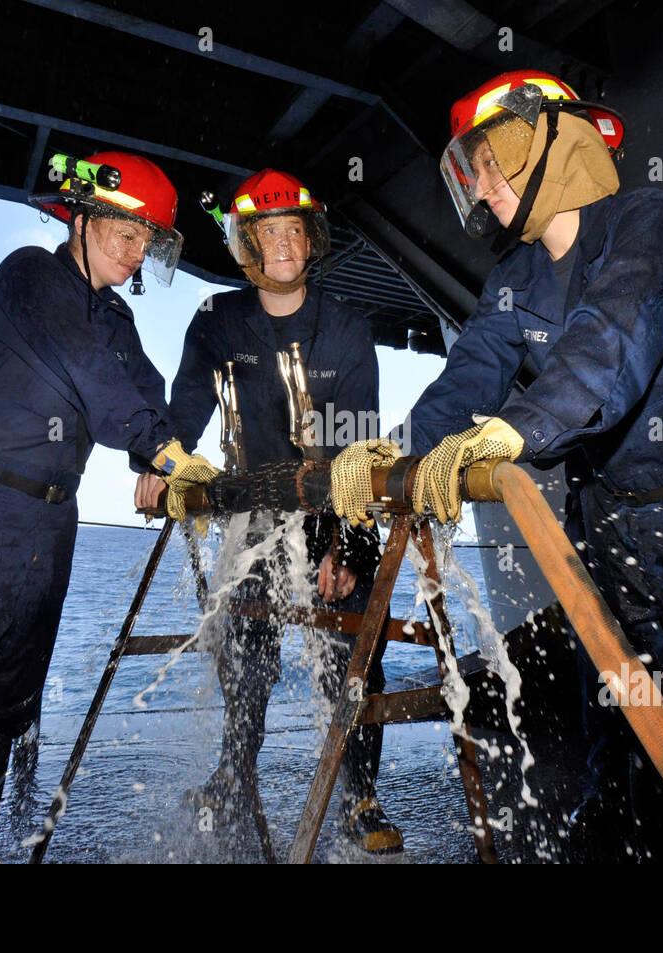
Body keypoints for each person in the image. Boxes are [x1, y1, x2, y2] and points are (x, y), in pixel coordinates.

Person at [332, 71, 663, 862]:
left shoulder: (648, 225)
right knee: (639, 748)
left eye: (490, 164)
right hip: (619, 538)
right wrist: (402, 457)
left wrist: (511, 432)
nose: (483, 190)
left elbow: (608, 344)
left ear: (544, 143)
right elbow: (464, 383)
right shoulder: (512, 283)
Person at [0, 151, 216, 863]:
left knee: (4, 704)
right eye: (124, 233)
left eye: (148, 240)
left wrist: (168, 461)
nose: (136, 251)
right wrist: (163, 453)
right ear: (81, 219)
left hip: (42, 535)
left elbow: (142, 394)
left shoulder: (115, 318)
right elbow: (92, 377)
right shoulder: (28, 276)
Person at [140, 168, 400, 853]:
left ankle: (359, 795)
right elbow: (188, 400)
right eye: (266, 233)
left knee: (351, 655)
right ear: (245, 245)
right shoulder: (217, 320)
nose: (281, 245)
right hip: (253, 511)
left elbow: (358, 441)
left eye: (293, 231)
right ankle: (233, 774)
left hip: (332, 508)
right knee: (245, 651)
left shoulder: (344, 327)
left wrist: (346, 548)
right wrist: (157, 462)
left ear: (310, 241)